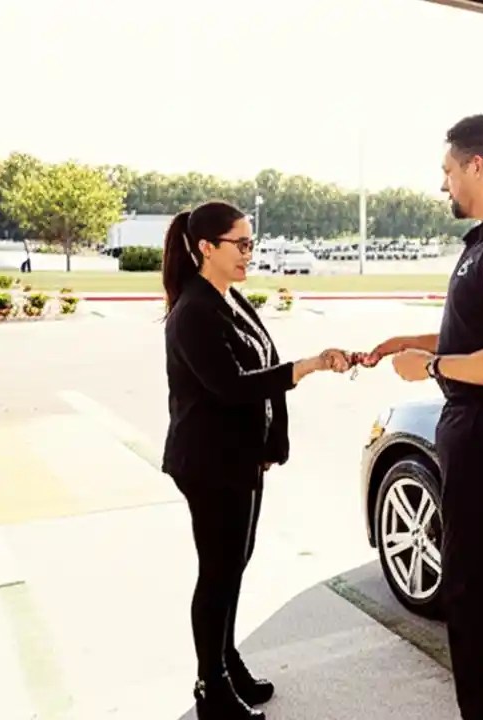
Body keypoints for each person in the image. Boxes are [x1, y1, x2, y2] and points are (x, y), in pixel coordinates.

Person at [362, 115, 483, 720]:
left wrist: (432, 365)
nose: (441, 183)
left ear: (478, 164)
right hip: (477, 433)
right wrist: (407, 342)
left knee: (476, 591)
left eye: (447, 170)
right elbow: (474, 335)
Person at [160, 200, 352, 720]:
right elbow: (231, 388)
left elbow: (263, 369)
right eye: (240, 244)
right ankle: (211, 688)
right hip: (208, 464)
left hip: (240, 460)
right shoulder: (193, 312)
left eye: (252, 242)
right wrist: (309, 366)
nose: (250, 252)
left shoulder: (231, 299)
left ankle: (225, 660)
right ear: (206, 248)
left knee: (234, 565)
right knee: (218, 572)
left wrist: (271, 448)